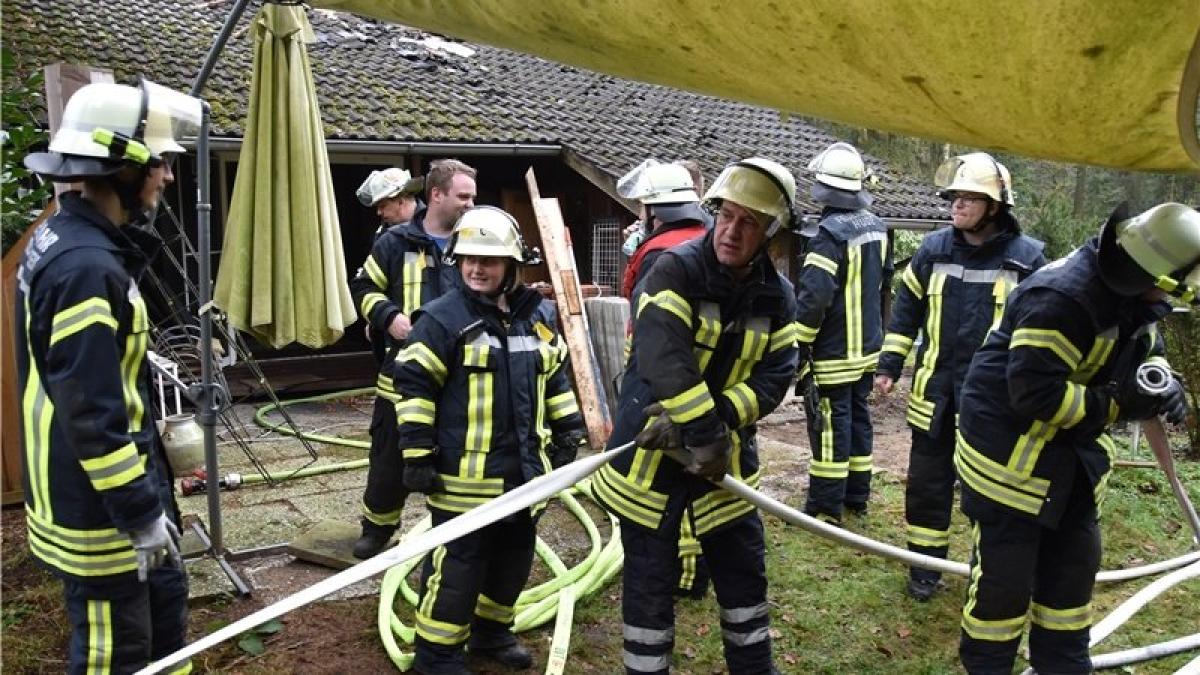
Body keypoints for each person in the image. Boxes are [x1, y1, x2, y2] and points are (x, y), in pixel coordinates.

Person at [954, 202, 1198, 674]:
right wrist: (1118, 405)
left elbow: (1146, 345)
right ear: (1148, 271)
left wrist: (1162, 381)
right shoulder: (1062, 300)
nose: (1166, 300)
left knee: (1069, 588)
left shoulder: (1134, 286)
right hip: (1009, 467)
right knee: (1002, 595)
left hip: (1071, 467)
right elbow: (1035, 395)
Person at [16, 80, 200, 673]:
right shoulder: (86, 267)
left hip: (114, 489)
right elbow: (92, 413)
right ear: (123, 167)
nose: (168, 178)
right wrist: (139, 513)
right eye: (162, 164)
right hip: (100, 509)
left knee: (166, 620)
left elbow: (90, 367)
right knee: (114, 651)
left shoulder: (71, 238)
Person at [593, 157, 800, 674]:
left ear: (770, 233)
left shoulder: (779, 297)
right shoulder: (675, 269)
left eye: (748, 222)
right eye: (725, 216)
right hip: (650, 460)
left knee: (743, 578)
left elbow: (777, 374)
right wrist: (703, 432)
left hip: (723, 462)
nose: (730, 231)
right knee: (649, 586)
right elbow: (664, 357)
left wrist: (719, 425)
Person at [393, 206, 588, 674]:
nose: (477, 268)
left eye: (490, 260)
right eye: (468, 259)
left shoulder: (537, 318)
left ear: (512, 265)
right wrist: (417, 454)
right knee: (460, 569)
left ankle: (491, 633)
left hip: (523, 476)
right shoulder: (442, 320)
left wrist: (569, 431)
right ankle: (436, 655)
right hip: (463, 481)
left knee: (513, 563)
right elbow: (415, 386)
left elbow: (556, 377)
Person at [874, 152, 1046, 601]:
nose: (957, 205)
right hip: (934, 394)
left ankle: (987, 567)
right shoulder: (933, 250)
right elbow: (906, 310)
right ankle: (924, 568)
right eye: (954, 197)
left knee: (988, 489)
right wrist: (889, 365)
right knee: (927, 486)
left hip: (993, 404)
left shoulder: (1027, 260)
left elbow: (1043, 326)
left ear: (995, 206)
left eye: (970, 198)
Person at [348, 158, 477, 559]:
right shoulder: (394, 242)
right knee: (389, 457)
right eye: (463, 196)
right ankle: (378, 528)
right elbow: (364, 286)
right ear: (436, 195)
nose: (471, 205)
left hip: (460, 377)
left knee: (457, 456)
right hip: (402, 377)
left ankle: (456, 529)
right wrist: (388, 317)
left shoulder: (476, 239)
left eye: (473, 196)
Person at [615, 159, 711, 598]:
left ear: (654, 210)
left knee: (663, 485)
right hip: (708, 382)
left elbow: (650, 330)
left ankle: (681, 577)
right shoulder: (706, 242)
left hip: (665, 386)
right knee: (701, 483)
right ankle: (693, 573)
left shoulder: (659, 255)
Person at [793, 142, 892, 525]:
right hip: (868, 349)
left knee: (830, 426)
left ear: (823, 189)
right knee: (858, 419)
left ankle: (824, 505)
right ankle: (857, 495)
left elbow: (814, 297)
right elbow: (883, 282)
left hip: (834, 352)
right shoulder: (879, 228)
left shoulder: (828, 236)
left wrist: (800, 343)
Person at [355, 167, 426, 364]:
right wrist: (378, 317)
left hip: (424, 339)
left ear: (401, 200)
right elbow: (370, 283)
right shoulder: (384, 235)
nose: (379, 212)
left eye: (383, 205)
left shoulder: (432, 231)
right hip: (390, 338)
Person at [357, 166, 425, 242]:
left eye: (383, 206)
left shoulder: (434, 227)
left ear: (400, 202)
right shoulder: (383, 231)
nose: (378, 212)